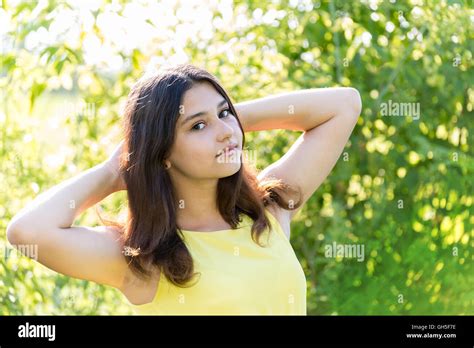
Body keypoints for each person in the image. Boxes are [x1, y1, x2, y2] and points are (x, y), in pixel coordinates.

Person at [6, 63, 362, 315]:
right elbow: (27, 232)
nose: (223, 130)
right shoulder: (141, 257)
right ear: (161, 153)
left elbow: (344, 104)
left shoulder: (267, 212)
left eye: (224, 113)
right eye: (197, 127)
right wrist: (114, 171)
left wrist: (227, 122)